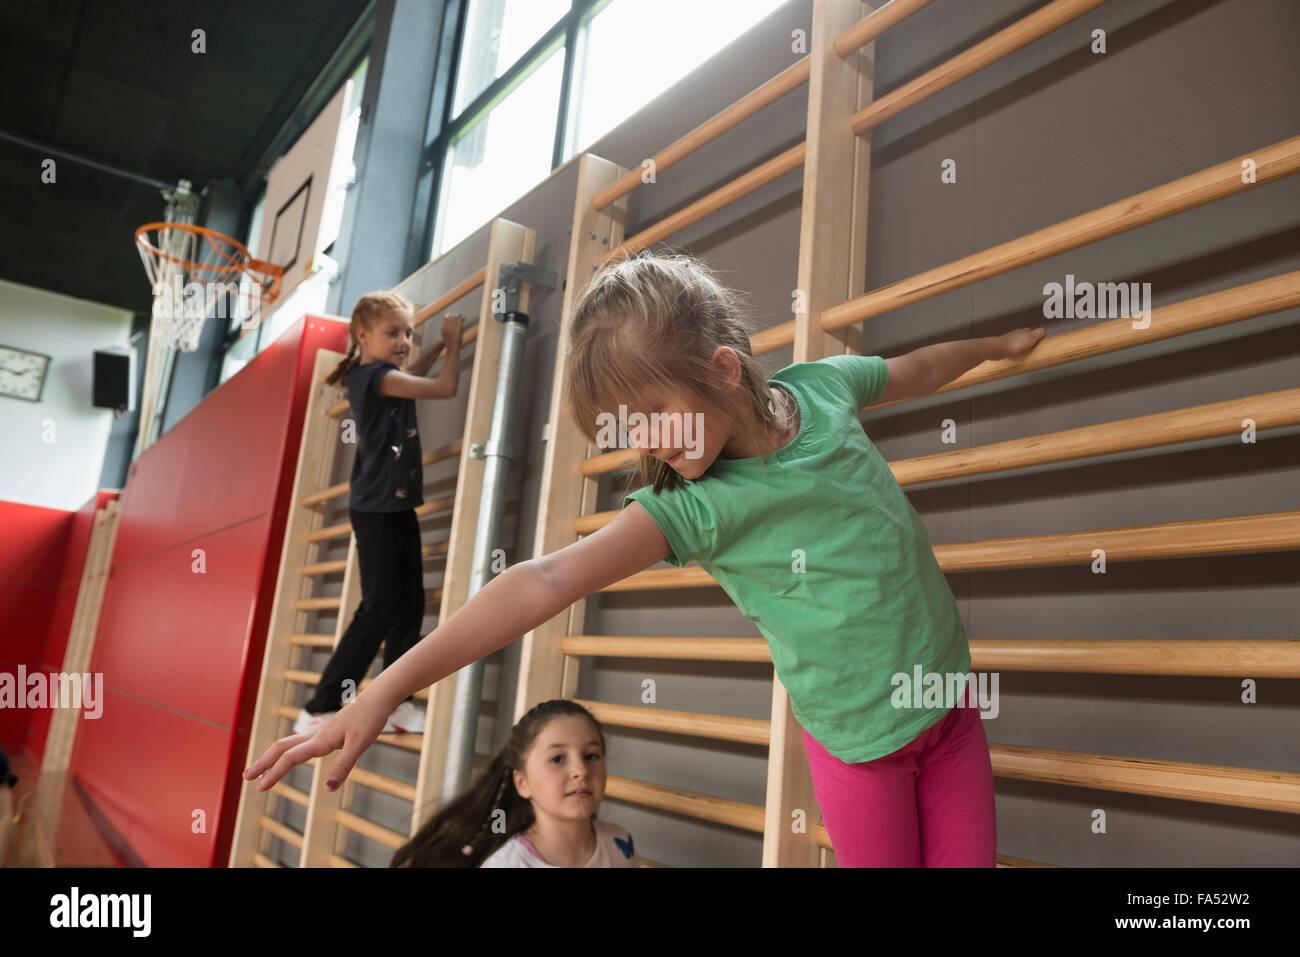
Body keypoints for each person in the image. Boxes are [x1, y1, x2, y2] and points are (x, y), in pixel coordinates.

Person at [248, 250, 1045, 866]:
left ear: (723, 371)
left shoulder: (826, 389)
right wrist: (382, 689)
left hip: (950, 708)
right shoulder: (689, 507)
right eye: (628, 431)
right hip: (859, 751)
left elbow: (916, 370)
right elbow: (544, 579)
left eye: (652, 419)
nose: (643, 446)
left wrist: (997, 345)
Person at [291, 291, 463, 736]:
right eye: (393, 333)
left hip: (395, 504)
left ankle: (395, 703)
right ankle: (318, 707)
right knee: (379, 609)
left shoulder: (384, 376)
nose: (403, 340)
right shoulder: (373, 378)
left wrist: (435, 347)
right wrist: (454, 343)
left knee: (410, 606)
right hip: (377, 509)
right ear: (362, 336)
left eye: (408, 332)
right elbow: (443, 388)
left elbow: (414, 376)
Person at [389, 699, 639, 867]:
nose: (581, 771)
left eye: (591, 756)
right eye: (557, 758)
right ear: (522, 783)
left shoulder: (620, 843)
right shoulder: (509, 864)